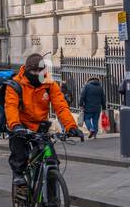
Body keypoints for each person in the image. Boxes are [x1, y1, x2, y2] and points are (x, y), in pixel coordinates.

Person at [5, 53, 82, 190]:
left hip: (40, 127)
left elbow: (61, 106)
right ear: (26, 70)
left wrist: (71, 126)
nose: (36, 74)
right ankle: (18, 176)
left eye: (39, 71)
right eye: (33, 71)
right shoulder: (16, 84)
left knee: (51, 159)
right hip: (21, 125)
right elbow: (11, 106)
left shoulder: (49, 84)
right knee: (19, 153)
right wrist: (15, 125)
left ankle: (51, 203)